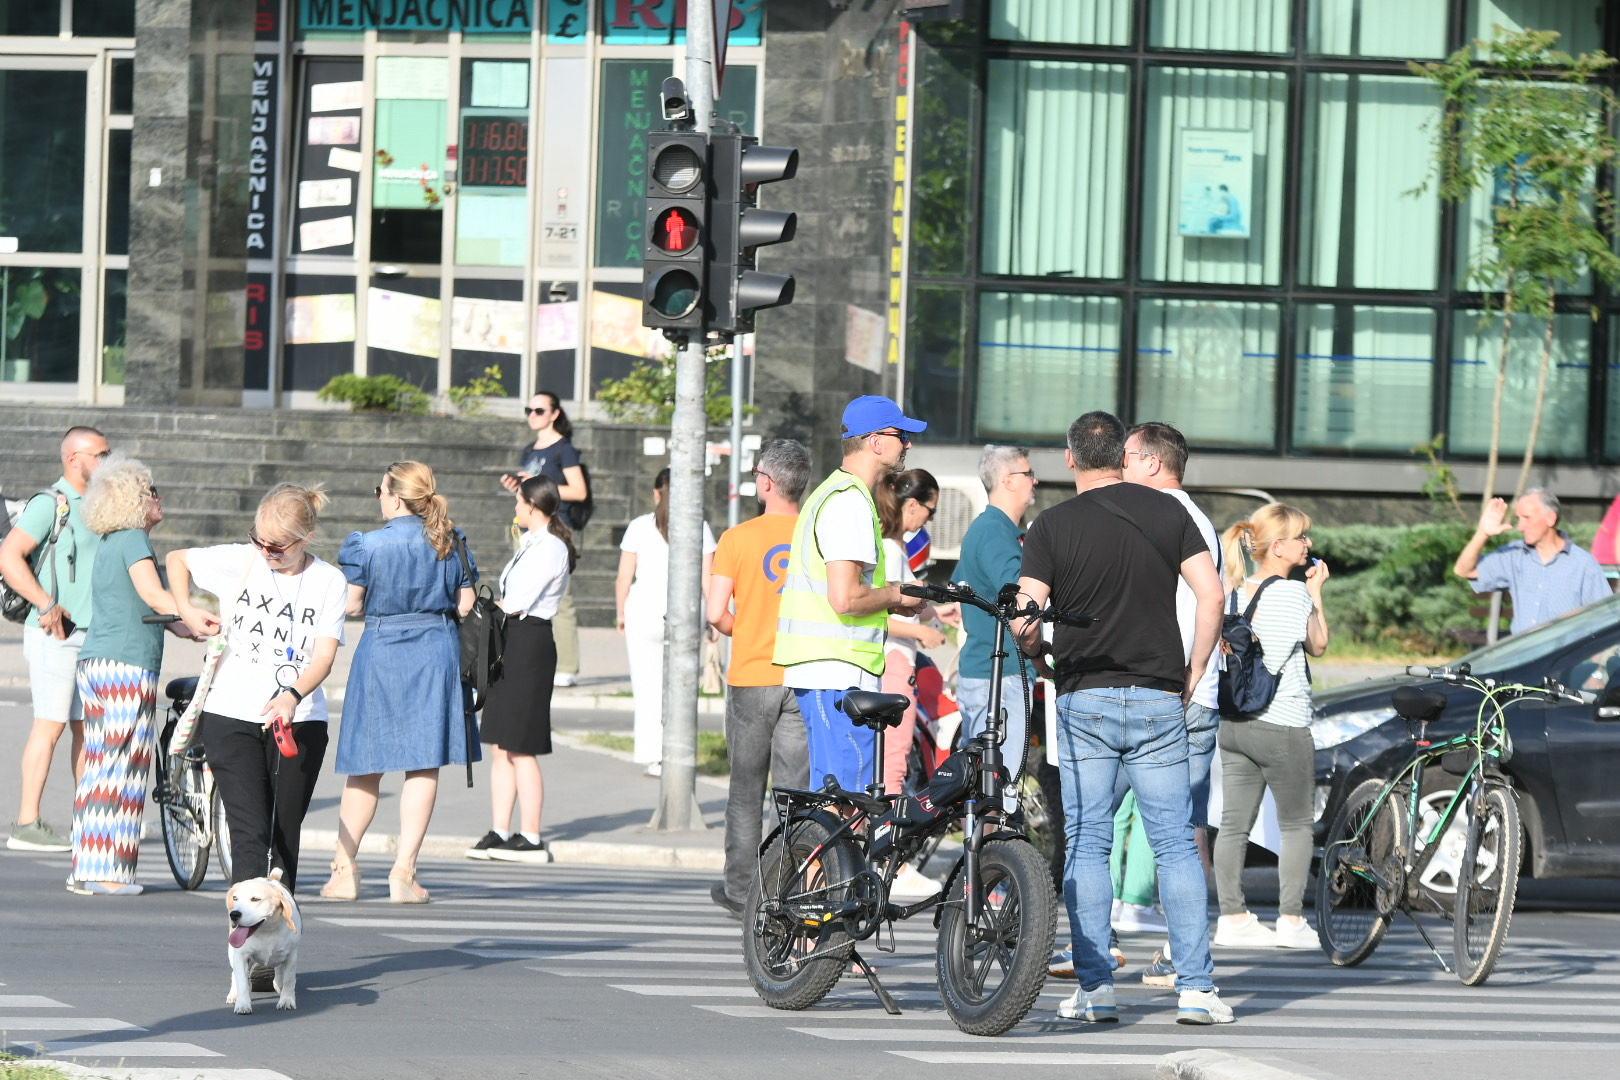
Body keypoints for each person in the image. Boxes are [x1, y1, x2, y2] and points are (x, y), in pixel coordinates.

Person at [1014, 410, 1229, 1026]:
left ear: (1071, 459)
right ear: (1123, 457)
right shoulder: (1173, 514)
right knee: (1174, 843)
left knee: (1087, 839)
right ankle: (1195, 989)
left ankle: (1096, 988)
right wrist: (1193, 669)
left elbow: (1026, 618)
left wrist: (1038, 655)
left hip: (1085, 697)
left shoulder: (1051, 525)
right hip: (1161, 694)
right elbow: (1211, 595)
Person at [168, 484, 346, 893]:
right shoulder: (242, 560)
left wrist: (291, 696)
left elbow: (323, 657)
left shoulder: (328, 581)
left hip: (298, 719)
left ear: (306, 539)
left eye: (278, 547)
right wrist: (187, 610)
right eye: (259, 540)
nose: (266, 552)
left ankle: (279, 941)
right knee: (249, 833)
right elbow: (177, 559)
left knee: (283, 836)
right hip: (230, 713)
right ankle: (247, 941)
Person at [323, 461, 477, 904]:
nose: (379, 498)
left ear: (394, 497)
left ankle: (344, 870)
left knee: (366, 763)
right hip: (434, 651)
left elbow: (352, 606)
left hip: (383, 649)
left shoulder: (366, 545)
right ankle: (404, 871)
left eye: (380, 490)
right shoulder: (449, 539)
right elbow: (465, 604)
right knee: (423, 763)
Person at [774, 395, 927, 793]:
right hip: (837, 671)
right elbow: (845, 598)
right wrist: (899, 595)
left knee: (840, 802)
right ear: (876, 442)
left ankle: (815, 856)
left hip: (832, 669)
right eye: (902, 435)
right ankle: (816, 857)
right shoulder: (849, 502)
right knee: (846, 804)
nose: (907, 444)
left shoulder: (836, 494)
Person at [67, 457, 188, 895]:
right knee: (122, 767)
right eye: (152, 491)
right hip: (126, 666)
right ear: (136, 500)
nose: (159, 498)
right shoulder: (135, 539)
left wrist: (186, 625)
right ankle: (107, 874)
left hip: (98, 663)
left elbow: (147, 608)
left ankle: (86, 866)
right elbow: (154, 595)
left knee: (101, 764)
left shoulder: (111, 543)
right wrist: (193, 612)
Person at [1212, 504, 1330, 950]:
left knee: (1233, 824)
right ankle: (1291, 921)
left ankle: (1233, 917)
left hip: (1235, 722)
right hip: (1282, 724)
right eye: (1302, 537)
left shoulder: (1234, 591)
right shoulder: (1293, 594)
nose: (1308, 544)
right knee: (1297, 824)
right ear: (1278, 547)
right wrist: (1315, 592)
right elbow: (1317, 644)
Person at [704, 439, 813, 916]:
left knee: (745, 791)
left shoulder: (737, 538)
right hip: (805, 674)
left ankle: (740, 891)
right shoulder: (816, 538)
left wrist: (745, 628)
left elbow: (715, 612)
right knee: (793, 796)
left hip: (752, 674)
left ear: (765, 483)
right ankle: (783, 889)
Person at [3, 425, 110, 852]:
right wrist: (45, 604)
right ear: (74, 458)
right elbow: (8, 555)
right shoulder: (51, 504)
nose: (106, 460)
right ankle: (27, 823)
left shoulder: (100, 504)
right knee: (48, 726)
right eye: (99, 454)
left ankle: (85, 822)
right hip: (55, 634)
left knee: (85, 729)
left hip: (92, 634)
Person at [467, 475, 576, 865]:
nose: (514, 508)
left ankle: (530, 834)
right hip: (510, 641)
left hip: (529, 643)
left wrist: (477, 610)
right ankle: (500, 829)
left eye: (518, 501)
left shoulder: (551, 548)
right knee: (501, 745)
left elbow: (518, 601)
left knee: (522, 746)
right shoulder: (530, 543)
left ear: (532, 504)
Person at [615, 467, 716, 775]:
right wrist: (712, 618)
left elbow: (624, 576)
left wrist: (620, 613)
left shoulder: (637, 526)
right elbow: (707, 578)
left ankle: (654, 754)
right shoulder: (699, 526)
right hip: (687, 612)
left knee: (646, 687)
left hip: (644, 611)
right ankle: (679, 752)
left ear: (656, 493)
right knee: (680, 686)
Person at [954, 446, 1038, 768]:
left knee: (982, 785)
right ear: (1009, 481)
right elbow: (1023, 604)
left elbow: (958, 587)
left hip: (990, 673)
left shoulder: (991, 530)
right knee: (998, 788)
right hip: (1000, 676)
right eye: (1028, 474)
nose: (1035, 481)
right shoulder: (994, 533)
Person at [501, 391, 586, 688]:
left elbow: (579, 490)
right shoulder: (530, 449)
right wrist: (519, 487)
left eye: (539, 410)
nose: (532, 415)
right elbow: (529, 491)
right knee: (521, 591)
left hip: (554, 526)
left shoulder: (564, 450)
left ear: (554, 414)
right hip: (527, 529)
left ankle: (568, 666)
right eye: (529, 409)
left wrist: (543, 490)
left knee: (560, 599)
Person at [1454, 489, 1610, 634]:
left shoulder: (1583, 564)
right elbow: (1463, 570)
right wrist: (1483, 533)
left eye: (1527, 518)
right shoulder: (1514, 555)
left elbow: (1604, 618)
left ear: (1550, 518)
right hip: (1522, 657)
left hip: (1567, 659)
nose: (1520, 527)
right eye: (1518, 519)